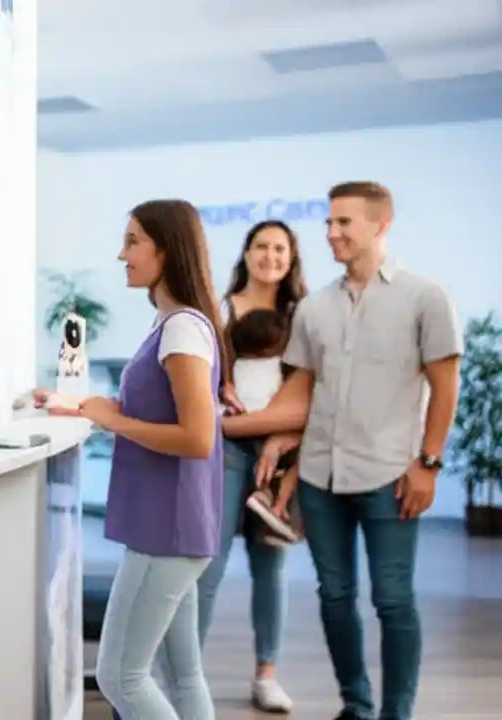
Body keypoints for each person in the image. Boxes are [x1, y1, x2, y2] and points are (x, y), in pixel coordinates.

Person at [224, 181, 462, 720]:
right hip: (319, 477)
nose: (330, 233)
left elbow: (445, 387)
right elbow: (302, 389)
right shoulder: (314, 308)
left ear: (381, 224)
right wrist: (279, 435)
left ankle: (395, 714)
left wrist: (429, 462)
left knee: (393, 600)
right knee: (334, 597)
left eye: (343, 223)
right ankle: (356, 705)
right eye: (328, 223)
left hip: (390, 476)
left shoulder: (425, 297)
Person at [36, 199, 224, 720]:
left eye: (134, 240)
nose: (122, 254)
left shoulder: (182, 329)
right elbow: (150, 411)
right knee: (182, 676)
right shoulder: (173, 325)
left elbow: (196, 438)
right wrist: (73, 404)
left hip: (166, 531)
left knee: (121, 677)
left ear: (168, 250)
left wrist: (112, 421)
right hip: (177, 528)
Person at [195, 220, 308, 713]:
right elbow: (206, 377)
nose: (270, 255)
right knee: (208, 566)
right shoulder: (221, 310)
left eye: (279, 248)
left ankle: (267, 675)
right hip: (226, 448)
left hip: (282, 454)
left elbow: (312, 387)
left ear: (291, 257)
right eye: (261, 246)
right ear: (247, 253)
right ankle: (187, 675)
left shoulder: (304, 314)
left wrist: (282, 438)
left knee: (271, 566)